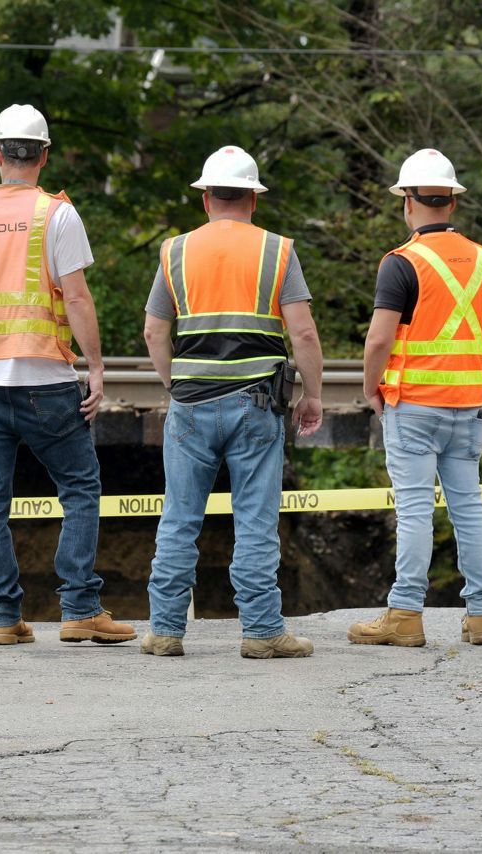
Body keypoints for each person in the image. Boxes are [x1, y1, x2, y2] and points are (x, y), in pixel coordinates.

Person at [0, 103, 136, 647]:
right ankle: (79, 609)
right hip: (47, 378)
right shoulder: (57, 215)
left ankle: (5, 619)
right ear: (44, 155)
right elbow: (75, 295)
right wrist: (95, 367)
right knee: (79, 487)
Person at [141, 146, 324, 659]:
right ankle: (263, 631)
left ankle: (165, 630)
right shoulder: (277, 251)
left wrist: (174, 385)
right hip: (257, 404)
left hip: (190, 406)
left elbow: (155, 331)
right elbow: (304, 334)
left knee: (179, 518)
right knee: (255, 519)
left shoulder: (174, 252)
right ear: (253, 199)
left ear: (205, 199)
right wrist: (313, 396)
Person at [348, 148, 482, 648]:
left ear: (408, 202)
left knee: (415, 509)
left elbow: (378, 340)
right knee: (469, 506)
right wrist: (467, 379)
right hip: (468, 405)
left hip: (413, 403)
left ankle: (405, 615)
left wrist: (372, 387)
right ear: (452, 202)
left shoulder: (402, 263)